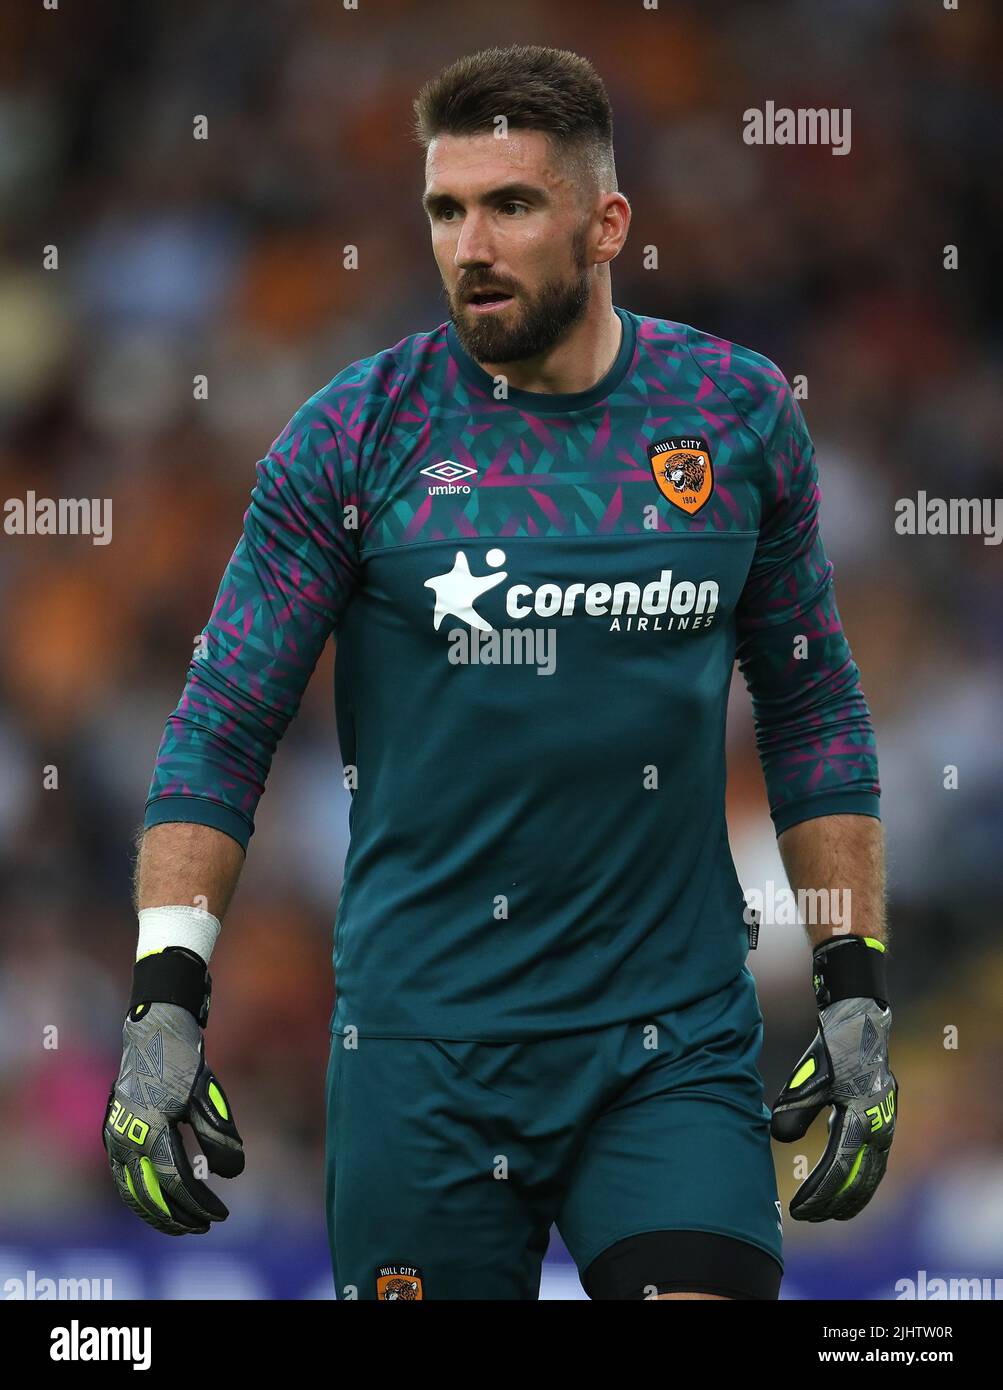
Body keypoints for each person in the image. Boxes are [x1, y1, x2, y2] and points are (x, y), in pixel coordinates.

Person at [104, 44, 897, 1301]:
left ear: (603, 222)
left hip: (669, 1044)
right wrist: (162, 1001)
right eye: (445, 208)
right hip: (424, 1053)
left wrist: (854, 988)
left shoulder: (736, 416)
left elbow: (810, 710)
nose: (470, 243)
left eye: (511, 204)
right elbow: (222, 723)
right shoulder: (355, 437)